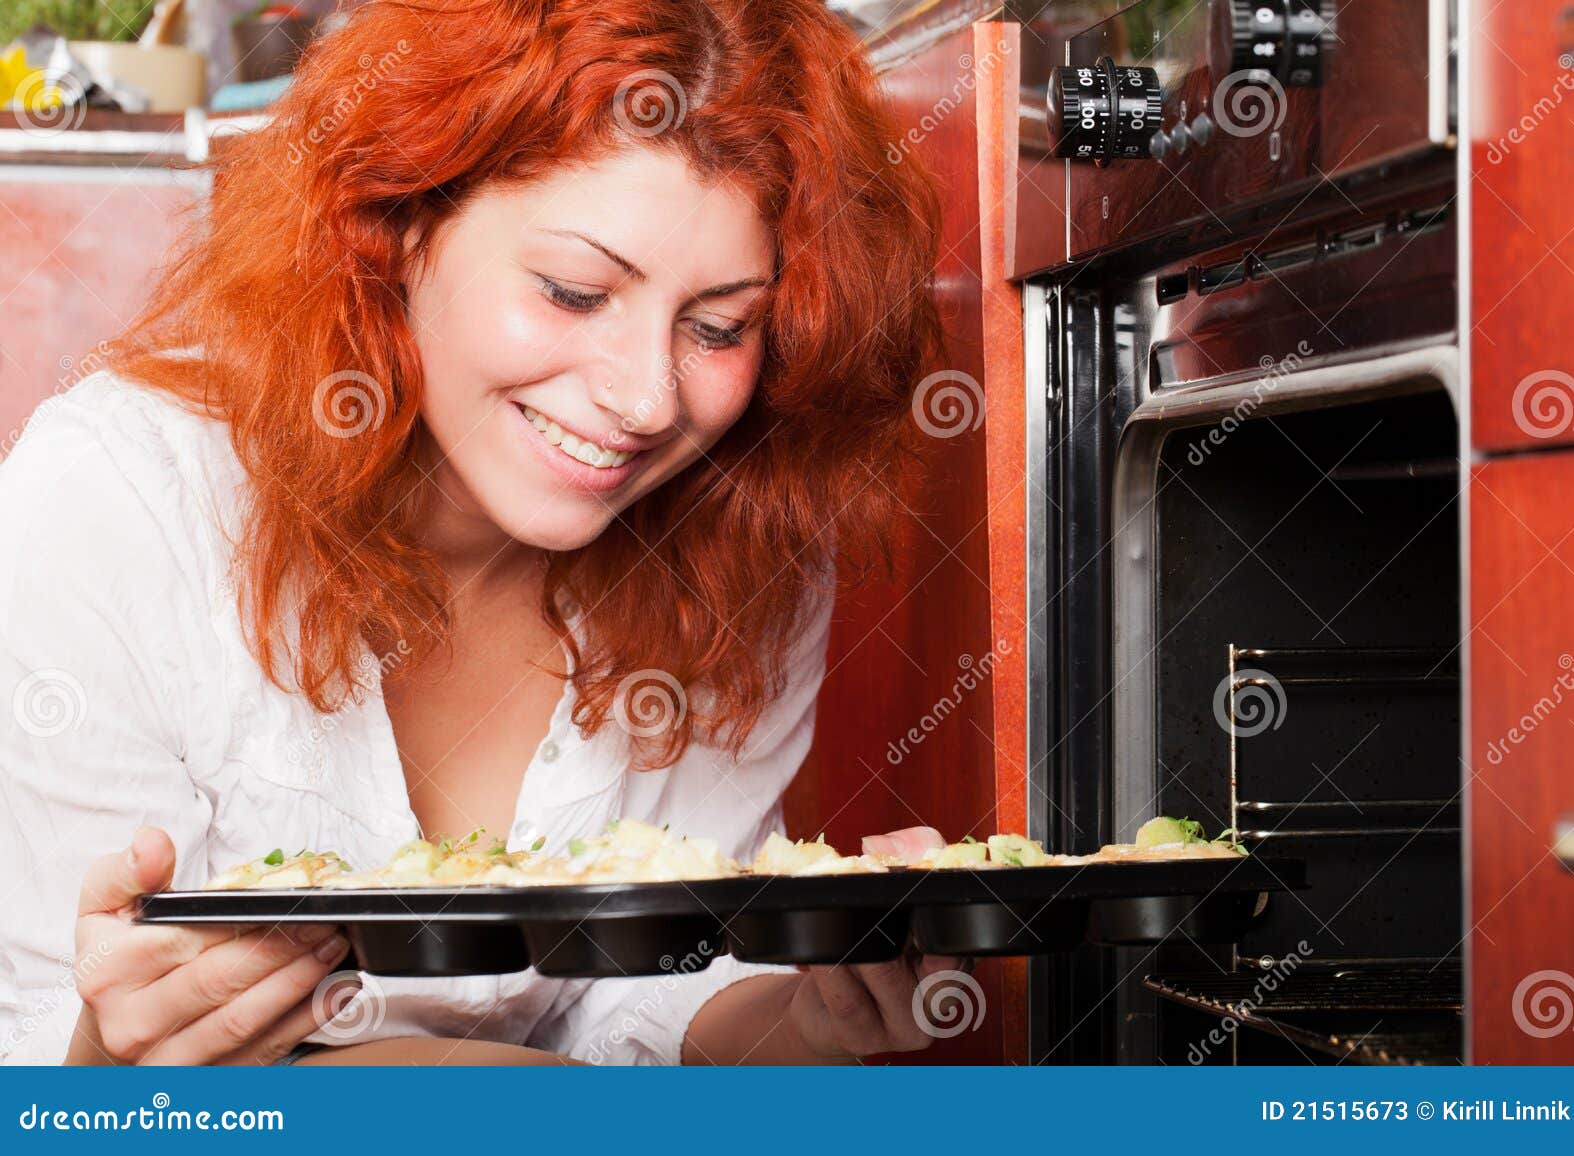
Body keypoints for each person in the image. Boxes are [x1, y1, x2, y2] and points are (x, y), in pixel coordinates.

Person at [0, 0, 953, 1066]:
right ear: (399, 225)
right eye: (574, 291)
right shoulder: (121, 499)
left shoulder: (743, 535)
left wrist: (805, 1020)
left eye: (718, 326)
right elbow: (43, 1062)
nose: (644, 398)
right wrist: (107, 1051)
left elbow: (654, 988)